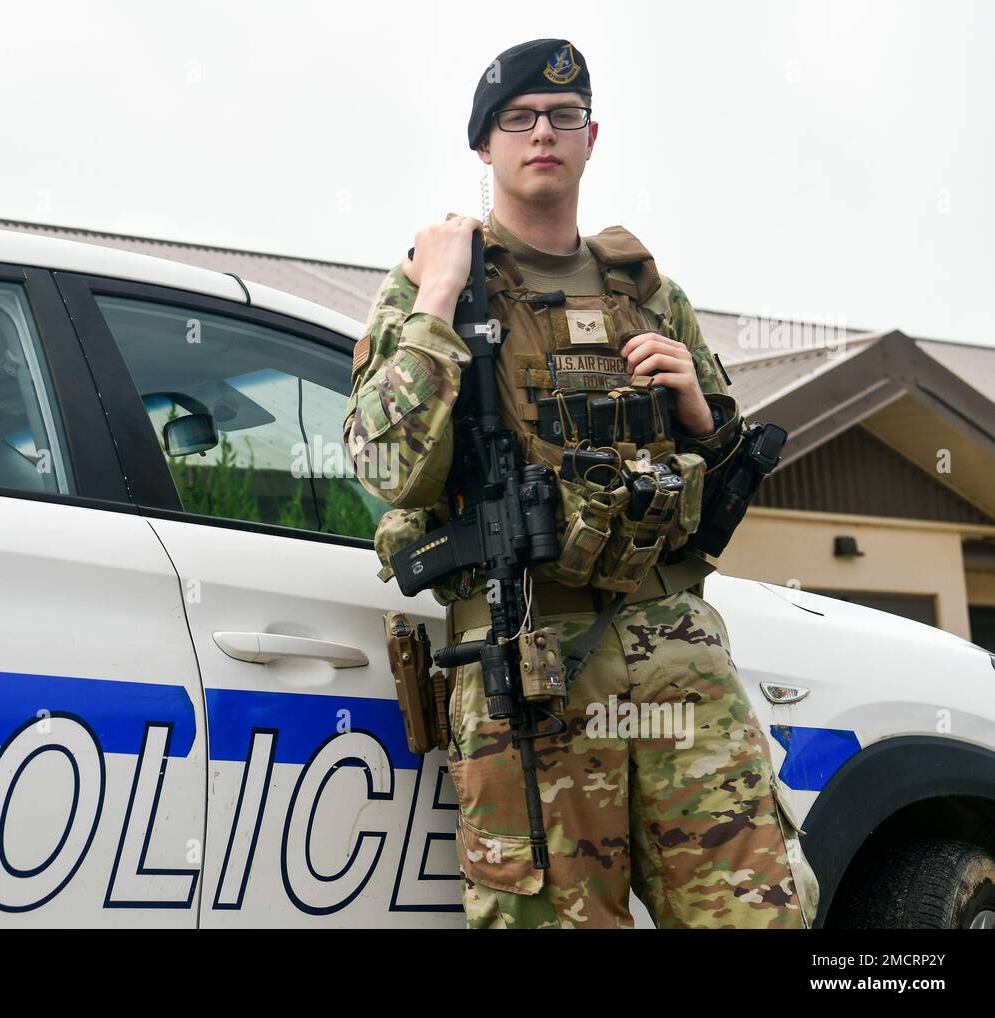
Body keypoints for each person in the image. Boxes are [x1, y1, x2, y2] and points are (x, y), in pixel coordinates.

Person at [343, 38, 819, 928]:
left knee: (758, 918)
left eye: (564, 118)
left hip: (676, 654)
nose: (543, 135)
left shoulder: (650, 292)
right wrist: (439, 299)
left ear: (592, 137)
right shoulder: (429, 285)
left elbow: (724, 487)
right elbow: (382, 469)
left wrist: (703, 417)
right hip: (532, 662)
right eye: (517, 120)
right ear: (484, 146)